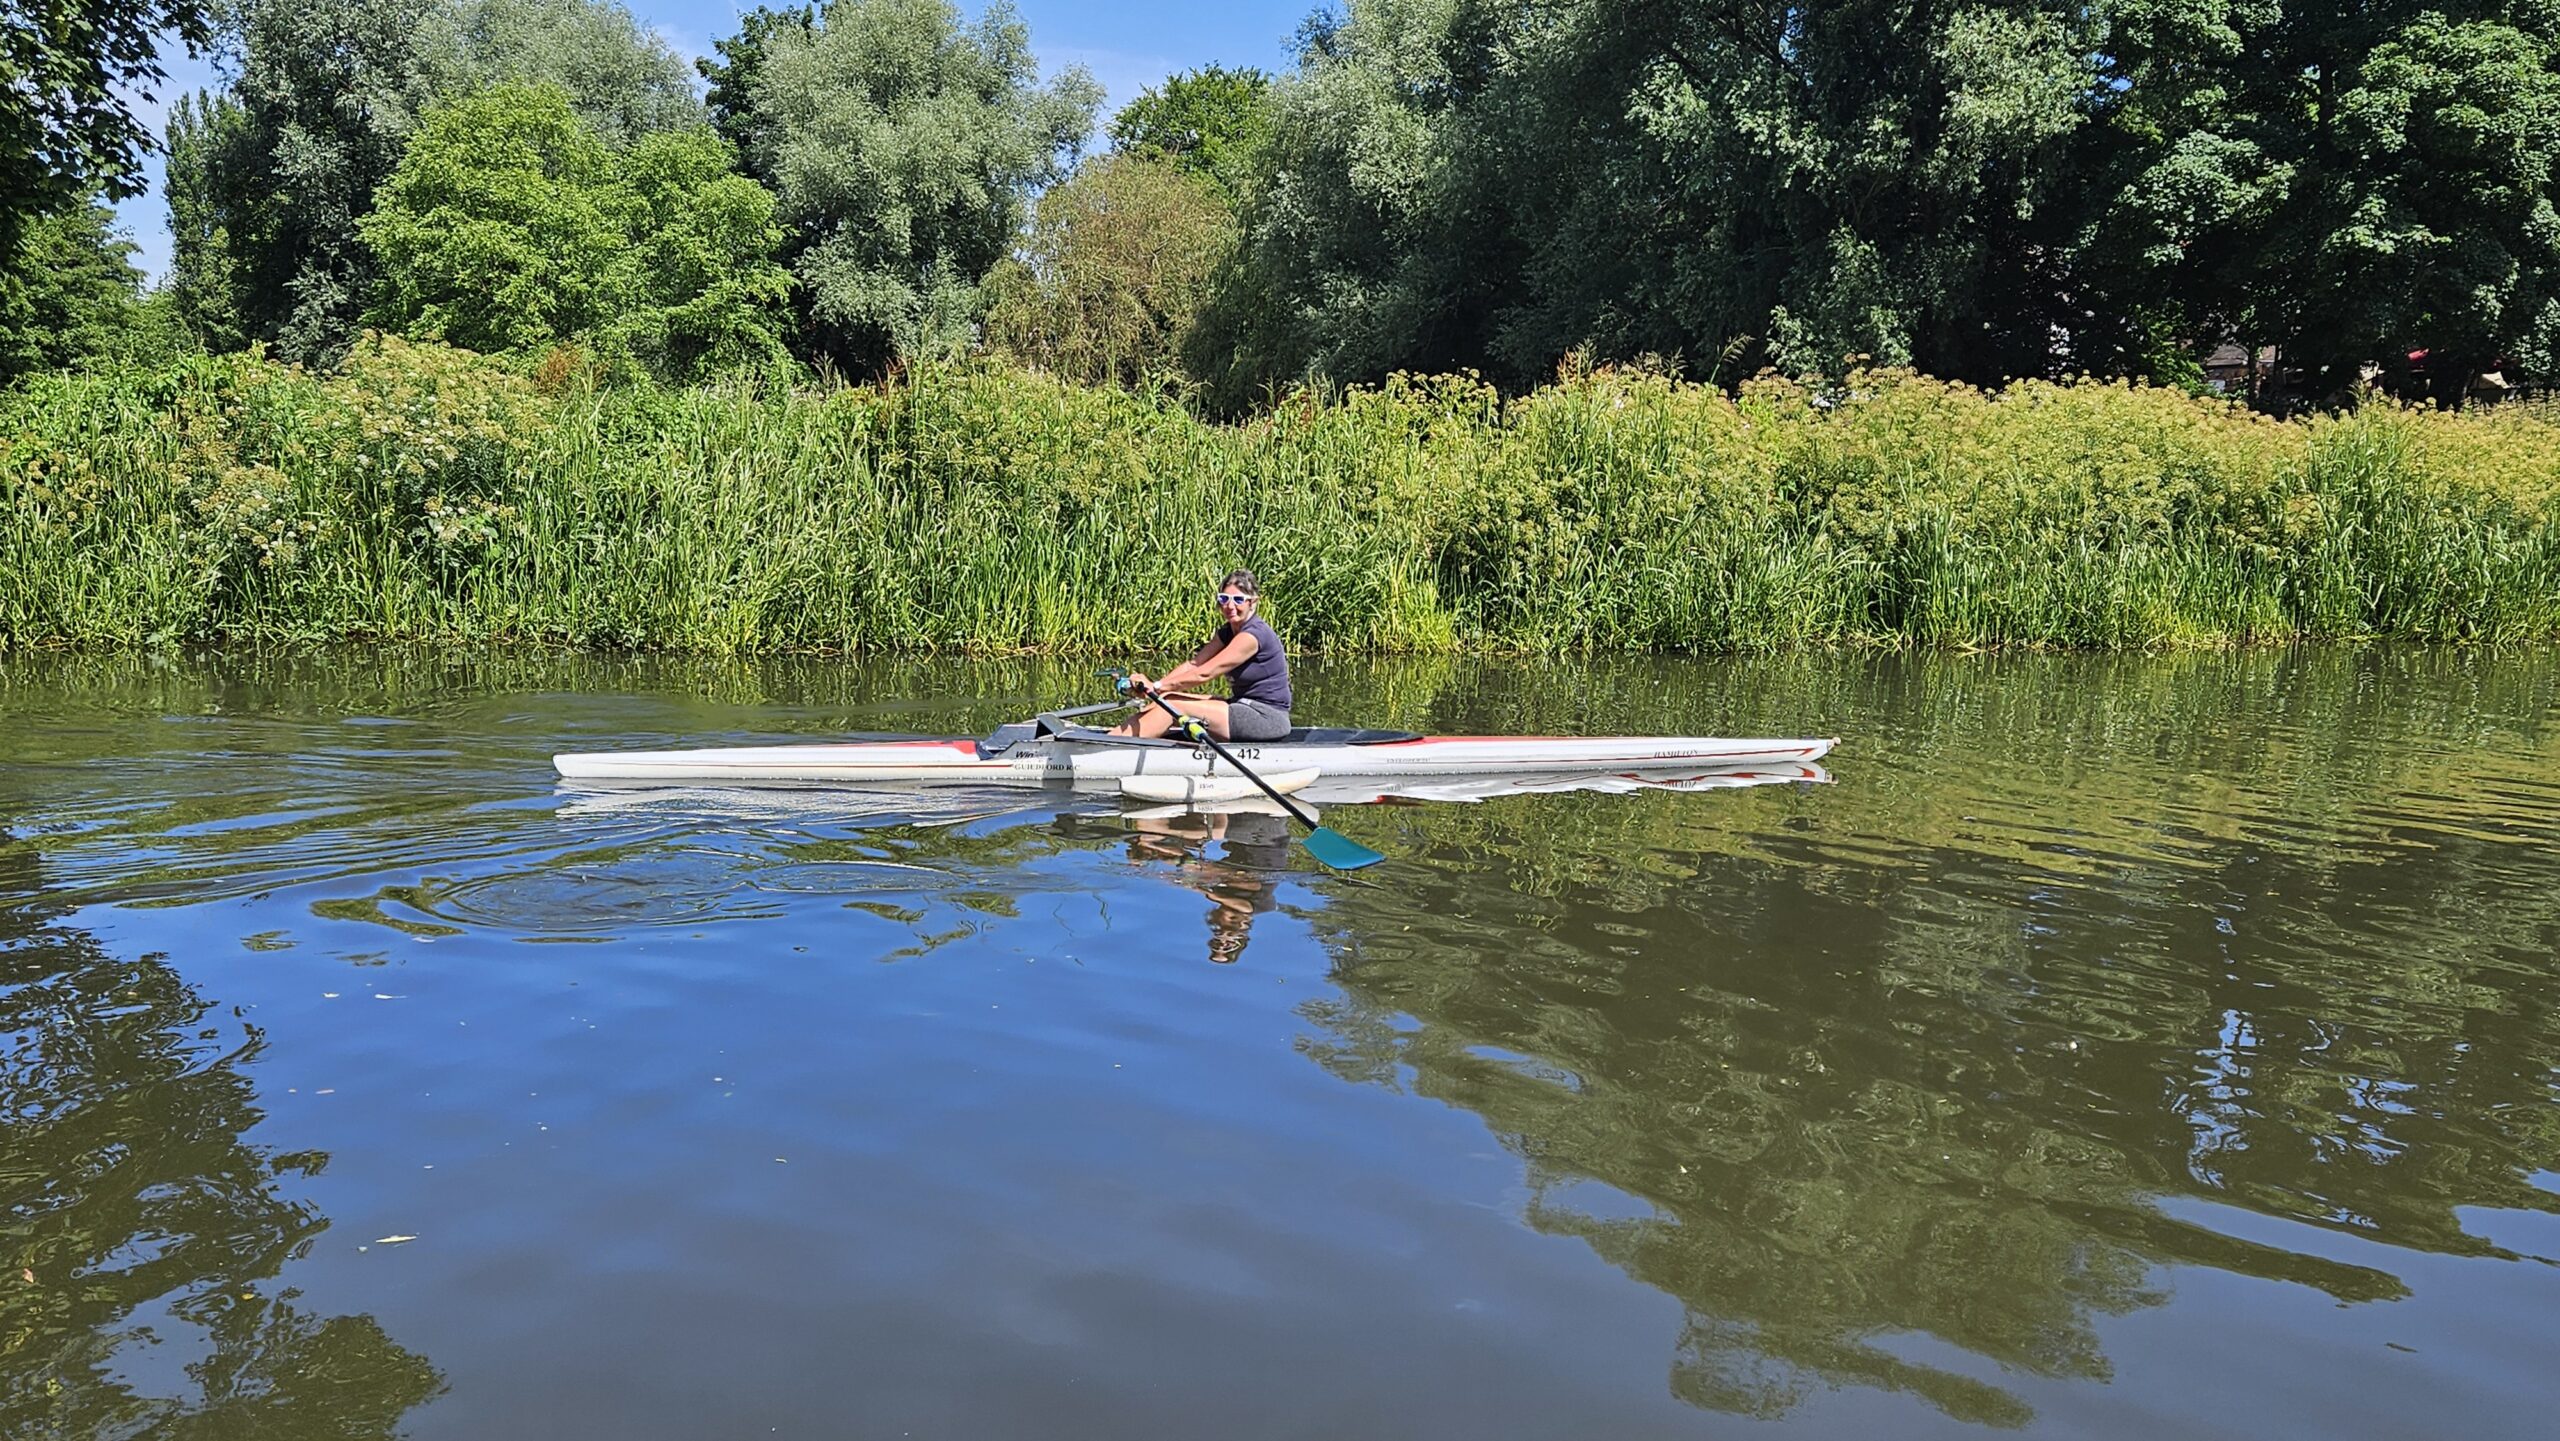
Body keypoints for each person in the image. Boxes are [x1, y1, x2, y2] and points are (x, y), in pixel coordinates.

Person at [1111, 569, 1292, 742]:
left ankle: (1111, 748)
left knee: (1175, 705)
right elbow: (1195, 664)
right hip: (1241, 705)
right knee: (1167, 699)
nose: (1230, 606)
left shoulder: (1253, 635)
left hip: (1266, 717)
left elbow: (1204, 673)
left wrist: (1156, 686)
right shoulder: (1227, 632)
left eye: (1238, 599)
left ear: (1252, 602)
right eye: (1224, 599)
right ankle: (1114, 738)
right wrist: (1155, 691)